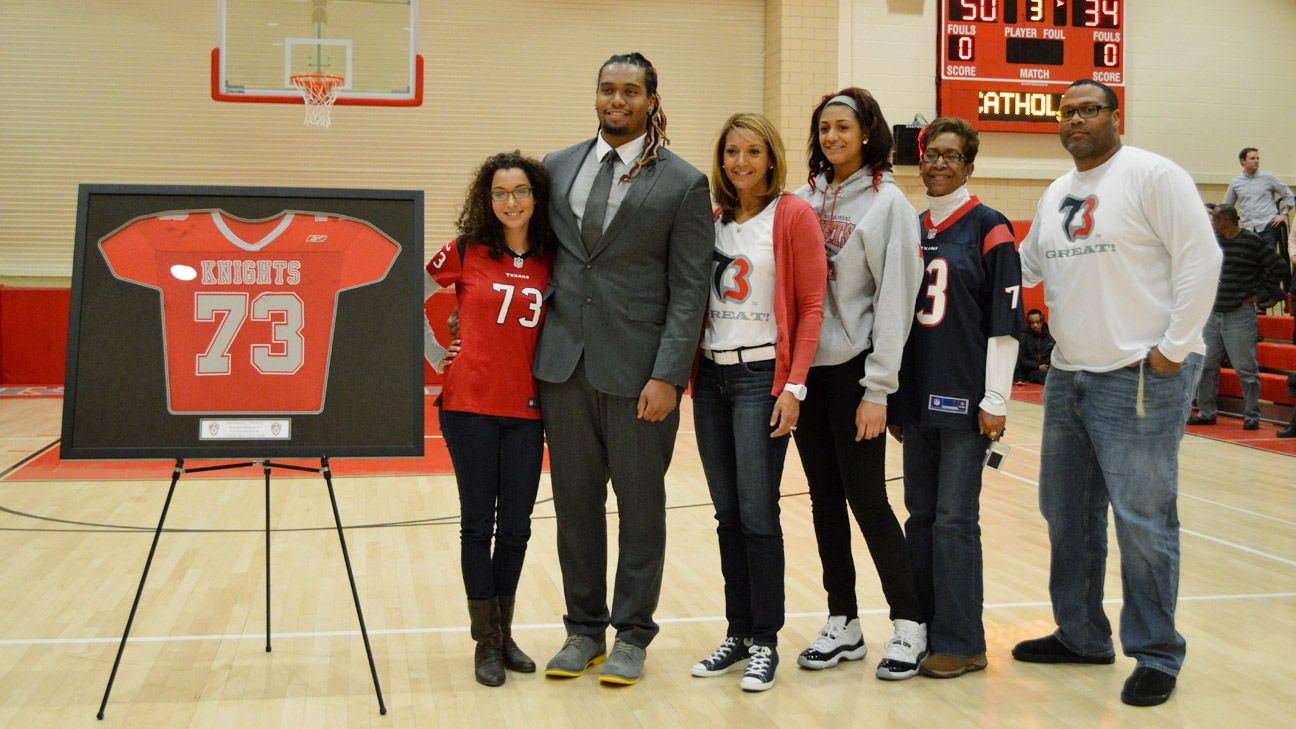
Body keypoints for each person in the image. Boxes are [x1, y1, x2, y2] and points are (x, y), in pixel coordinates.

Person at [1013, 80, 1222, 707]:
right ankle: (1080, 636)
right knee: (1067, 515)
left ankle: (1157, 652)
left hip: (1140, 376)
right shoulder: (1055, 192)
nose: (1077, 120)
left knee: (1143, 521)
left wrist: (1174, 348)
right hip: (1070, 376)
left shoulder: (1153, 175)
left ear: (1114, 116)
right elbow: (1026, 268)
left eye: (1090, 109)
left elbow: (1201, 259)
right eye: (1068, 112)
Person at [532, 52, 713, 686]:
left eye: (630, 91)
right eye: (607, 89)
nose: (617, 100)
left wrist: (669, 375)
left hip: (641, 375)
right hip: (563, 367)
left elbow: (691, 289)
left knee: (641, 507)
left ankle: (633, 632)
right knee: (575, 506)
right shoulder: (556, 168)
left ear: (650, 100)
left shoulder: (684, 183)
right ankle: (582, 631)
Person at [790, 87, 927, 681]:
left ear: (868, 132)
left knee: (867, 499)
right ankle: (842, 619)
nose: (832, 138)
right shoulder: (801, 199)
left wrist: (879, 389)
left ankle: (910, 623)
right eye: (824, 128)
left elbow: (896, 300)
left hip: (855, 373)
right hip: (805, 373)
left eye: (843, 127)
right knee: (822, 501)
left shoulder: (888, 204)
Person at [688, 113, 826, 692]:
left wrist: (793, 386)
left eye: (752, 152)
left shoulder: (792, 215)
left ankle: (766, 639)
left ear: (771, 158)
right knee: (726, 514)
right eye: (731, 152)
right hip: (711, 383)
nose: (740, 162)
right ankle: (737, 631)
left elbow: (813, 304)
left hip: (760, 378)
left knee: (758, 512)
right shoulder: (713, 220)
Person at [889, 117, 1022, 679]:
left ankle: (963, 639)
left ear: (970, 164)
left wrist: (996, 398)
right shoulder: (910, 227)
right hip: (915, 397)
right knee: (919, 517)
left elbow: (1006, 324)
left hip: (966, 400)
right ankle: (920, 630)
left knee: (953, 520)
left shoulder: (991, 228)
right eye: (931, 155)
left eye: (951, 155)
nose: (939, 164)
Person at [423, 151, 555, 687]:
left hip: (527, 409)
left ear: (535, 197)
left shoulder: (553, 257)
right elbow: (412, 293)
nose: (511, 201)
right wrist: (437, 355)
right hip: (469, 405)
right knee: (478, 524)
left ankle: (505, 631)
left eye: (520, 190)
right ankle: (486, 643)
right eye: (500, 193)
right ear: (488, 198)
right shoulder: (464, 251)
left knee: (518, 528)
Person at [1187, 204, 1288, 429]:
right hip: (1212, 312)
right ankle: (1206, 412)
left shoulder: (1251, 241)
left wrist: (1260, 294)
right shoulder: (1212, 242)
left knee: (1245, 368)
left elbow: (1279, 266)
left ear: (1228, 220)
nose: (1213, 223)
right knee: (1207, 365)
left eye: (1217, 219)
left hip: (1239, 314)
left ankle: (1251, 415)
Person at [1221, 147, 1293, 261]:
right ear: (1243, 161)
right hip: (1248, 227)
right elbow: (1226, 206)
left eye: (1258, 158)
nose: (1256, 161)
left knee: (1269, 260)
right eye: (1252, 158)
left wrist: (1283, 214)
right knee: (1250, 259)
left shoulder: (1269, 177)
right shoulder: (1236, 182)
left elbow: (1289, 196)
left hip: (1268, 225)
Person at [1015, 309, 1055, 384]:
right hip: (1031, 371)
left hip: (1049, 370)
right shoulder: (1024, 338)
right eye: (1032, 323)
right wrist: (1038, 366)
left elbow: (1056, 355)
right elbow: (1021, 360)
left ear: (1042, 321)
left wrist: (1049, 367)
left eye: (1037, 322)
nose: (1035, 325)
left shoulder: (1050, 337)